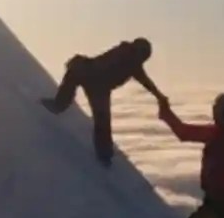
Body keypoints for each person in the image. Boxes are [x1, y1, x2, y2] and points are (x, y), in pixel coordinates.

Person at [41, 38, 168, 166]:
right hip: (95, 80)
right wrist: (159, 96)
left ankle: (104, 153)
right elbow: (141, 78)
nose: (143, 59)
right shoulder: (126, 57)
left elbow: (144, 80)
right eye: (144, 55)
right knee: (102, 120)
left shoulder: (131, 61)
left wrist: (159, 96)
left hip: (95, 81)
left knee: (101, 119)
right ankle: (103, 154)